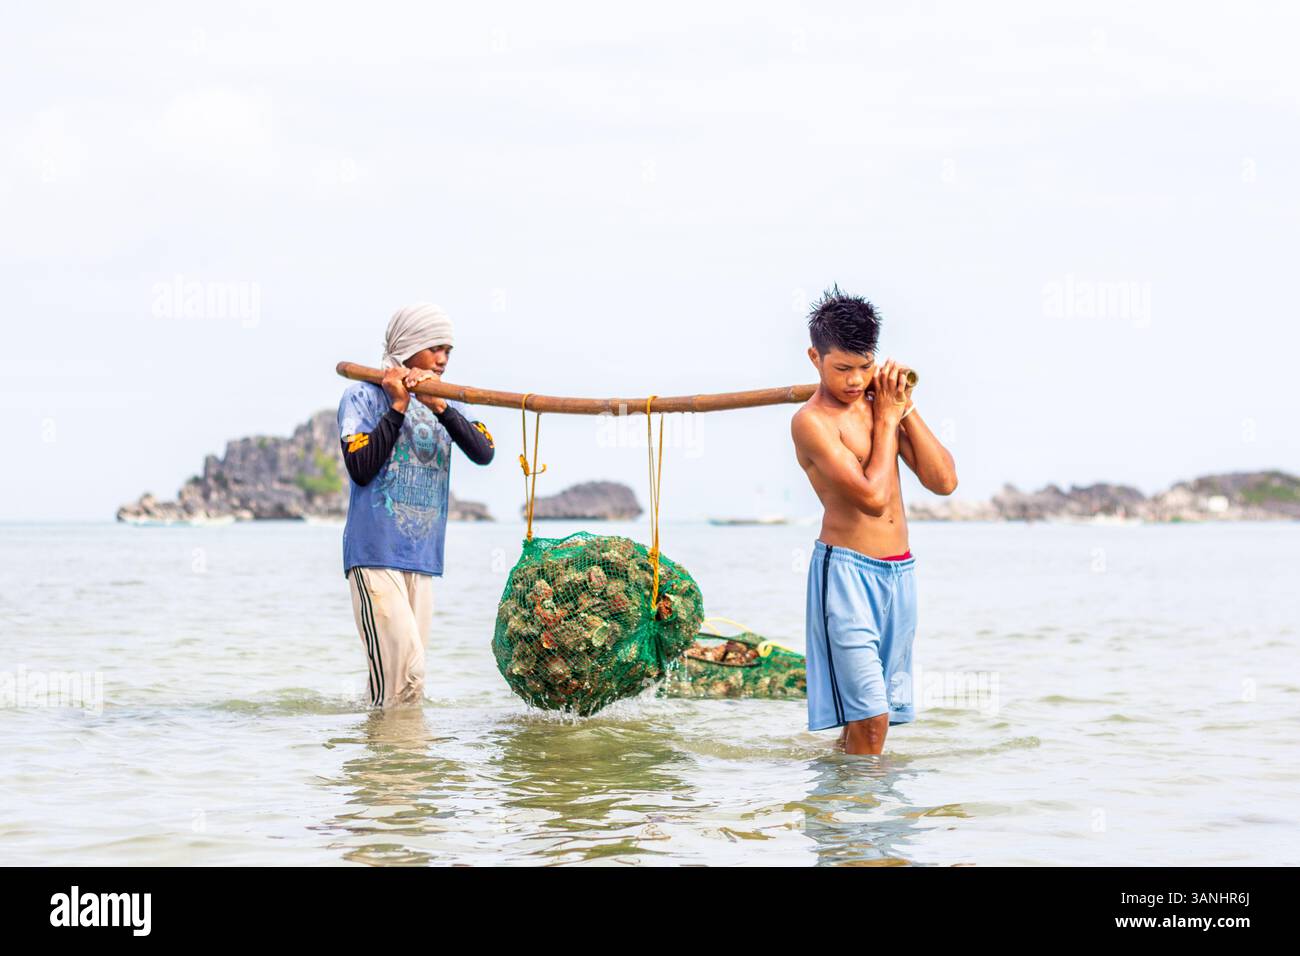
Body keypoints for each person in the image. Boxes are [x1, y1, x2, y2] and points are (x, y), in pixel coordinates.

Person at [790, 287, 957, 754]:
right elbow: (872, 496)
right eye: (842, 368)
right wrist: (886, 420)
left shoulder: (880, 404)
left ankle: (841, 813)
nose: (855, 380)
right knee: (871, 718)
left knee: (875, 720)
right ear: (815, 357)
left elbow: (944, 482)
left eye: (865, 366)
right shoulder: (812, 423)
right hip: (845, 573)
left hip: (899, 574)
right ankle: (865, 819)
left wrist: (905, 408)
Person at [337, 303, 496, 707]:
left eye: (448, 350)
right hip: (374, 557)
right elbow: (360, 467)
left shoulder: (448, 402)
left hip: (422, 558)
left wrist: (438, 405)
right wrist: (398, 405)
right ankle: (397, 762)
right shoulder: (361, 396)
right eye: (434, 348)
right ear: (408, 347)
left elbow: (483, 451)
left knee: (400, 685)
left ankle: (391, 764)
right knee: (408, 674)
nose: (442, 359)